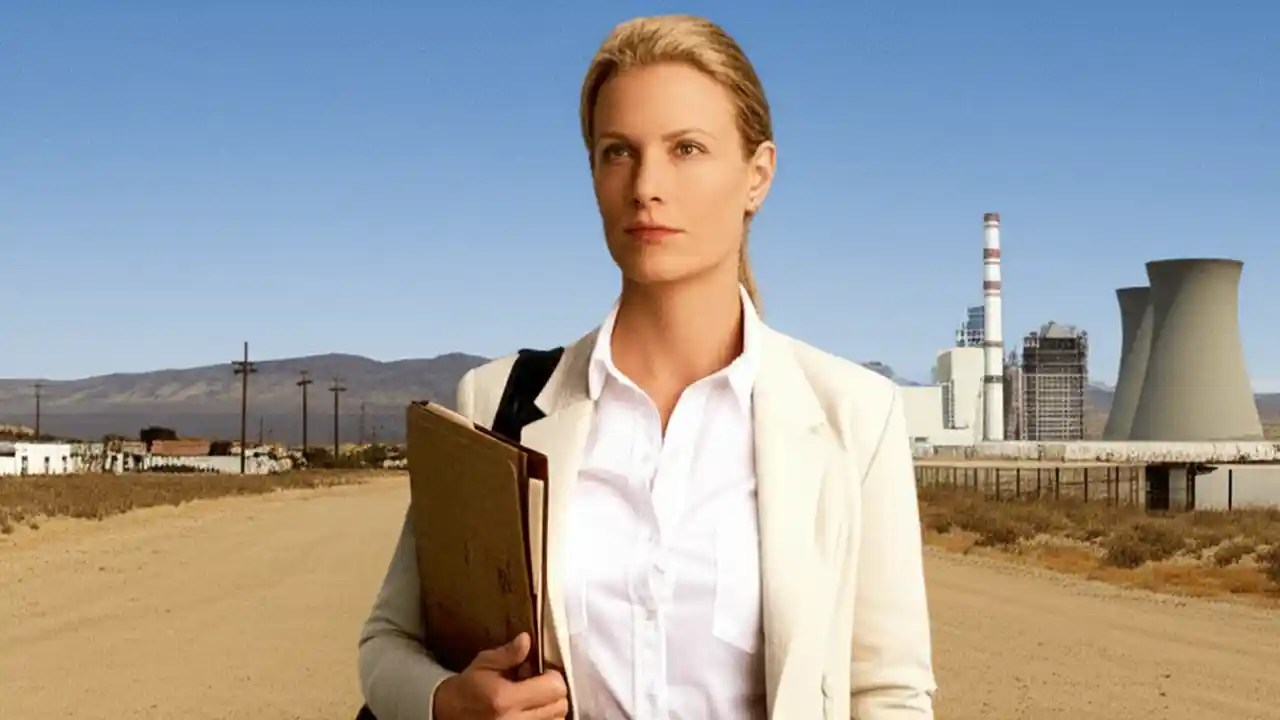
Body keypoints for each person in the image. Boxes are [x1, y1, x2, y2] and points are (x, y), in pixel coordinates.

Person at [358, 13, 936, 720]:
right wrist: (448, 701)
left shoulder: (854, 415)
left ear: (758, 176)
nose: (646, 186)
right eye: (618, 152)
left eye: (687, 148)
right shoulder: (496, 402)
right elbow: (388, 643)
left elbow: (888, 692)